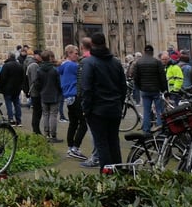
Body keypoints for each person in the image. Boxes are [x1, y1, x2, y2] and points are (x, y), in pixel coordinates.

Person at [79, 32, 127, 169]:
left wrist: (86, 109)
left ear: (92, 45)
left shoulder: (89, 63)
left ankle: (107, 174)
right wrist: (120, 104)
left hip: (97, 110)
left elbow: (86, 89)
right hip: (114, 108)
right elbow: (123, 87)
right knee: (113, 141)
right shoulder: (116, 63)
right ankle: (118, 170)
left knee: (101, 143)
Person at [59, 45, 86, 159]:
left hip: (68, 96)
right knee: (83, 123)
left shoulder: (63, 65)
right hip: (75, 94)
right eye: (75, 53)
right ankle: (75, 147)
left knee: (73, 123)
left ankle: (70, 147)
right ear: (69, 54)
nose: (77, 55)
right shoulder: (72, 65)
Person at [131, 44, 166, 134]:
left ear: (144, 52)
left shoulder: (139, 62)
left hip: (145, 90)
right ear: (152, 52)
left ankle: (146, 130)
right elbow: (162, 77)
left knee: (146, 111)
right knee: (159, 110)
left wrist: (139, 87)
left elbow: (136, 77)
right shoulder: (157, 62)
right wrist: (164, 89)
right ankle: (160, 129)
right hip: (156, 90)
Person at [38, 50, 61, 142]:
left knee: (46, 115)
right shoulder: (54, 70)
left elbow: (37, 84)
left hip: (43, 94)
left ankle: (46, 134)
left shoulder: (39, 70)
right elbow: (58, 83)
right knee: (53, 115)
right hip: (54, 94)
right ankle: (53, 135)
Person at [0, 52, 24, 127]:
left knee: (9, 104)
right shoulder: (20, 65)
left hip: (8, 88)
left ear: (8, 57)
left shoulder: (6, 66)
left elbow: (2, 78)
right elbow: (23, 77)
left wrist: (0, 88)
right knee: (17, 104)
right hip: (17, 88)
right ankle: (19, 121)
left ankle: (11, 119)